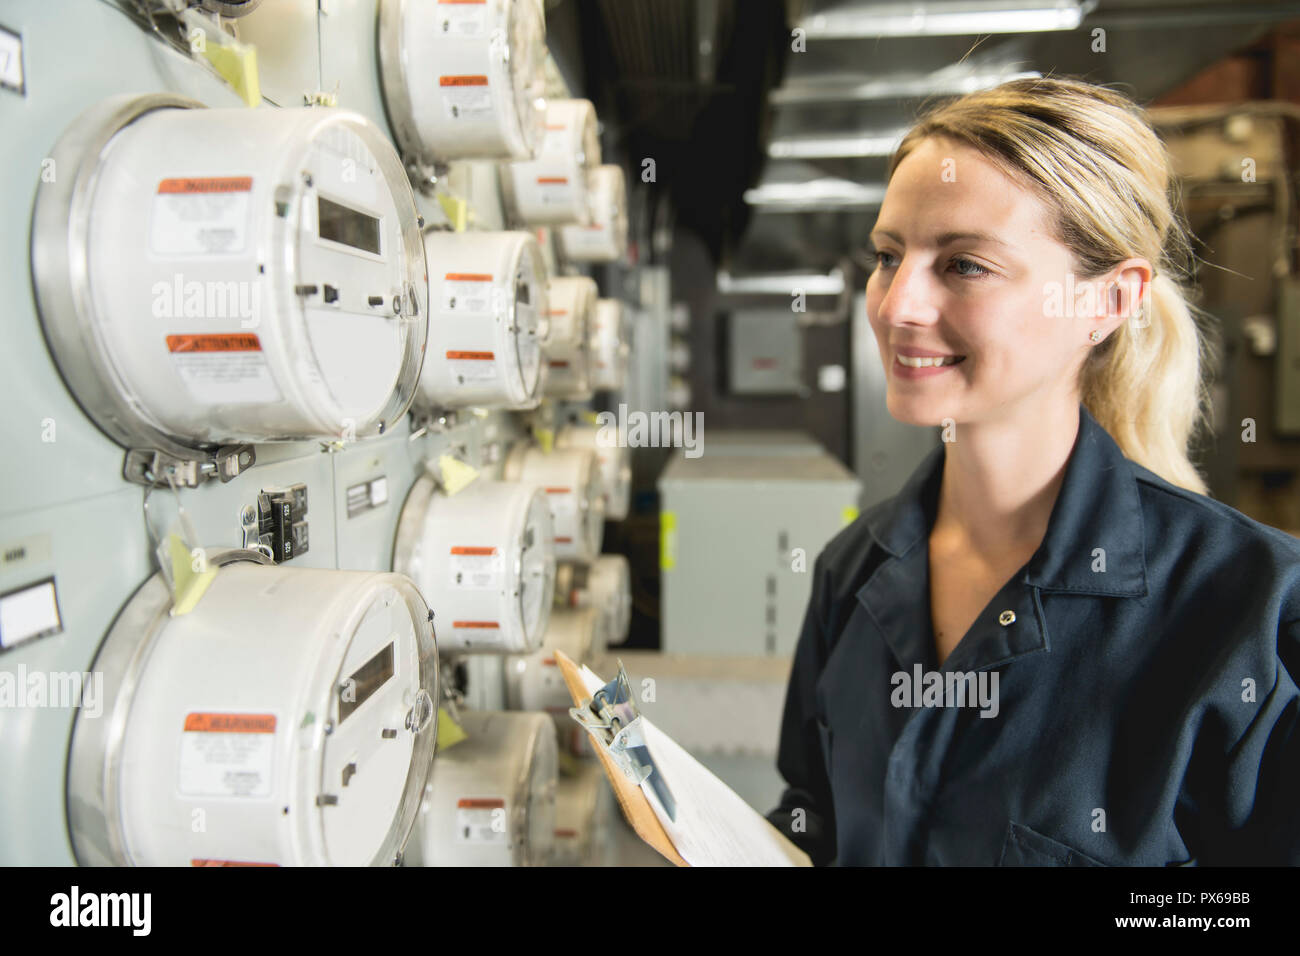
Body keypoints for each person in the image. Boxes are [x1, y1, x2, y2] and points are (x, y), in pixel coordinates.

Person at [766, 76, 1300, 866]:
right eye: (888, 256)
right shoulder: (856, 573)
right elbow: (814, 814)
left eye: (965, 265)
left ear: (1109, 301)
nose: (896, 304)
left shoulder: (1250, 608)